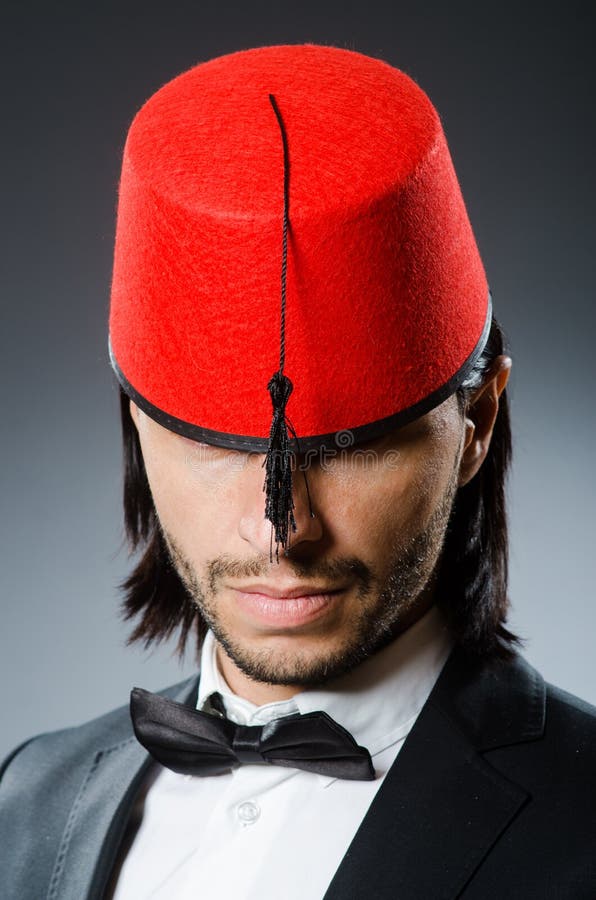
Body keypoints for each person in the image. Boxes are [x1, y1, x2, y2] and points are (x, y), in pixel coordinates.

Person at [1, 44, 595, 900]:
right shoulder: (26, 800)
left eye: (349, 447)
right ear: (138, 423)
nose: (280, 528)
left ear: (477, 423)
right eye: (215, 445)